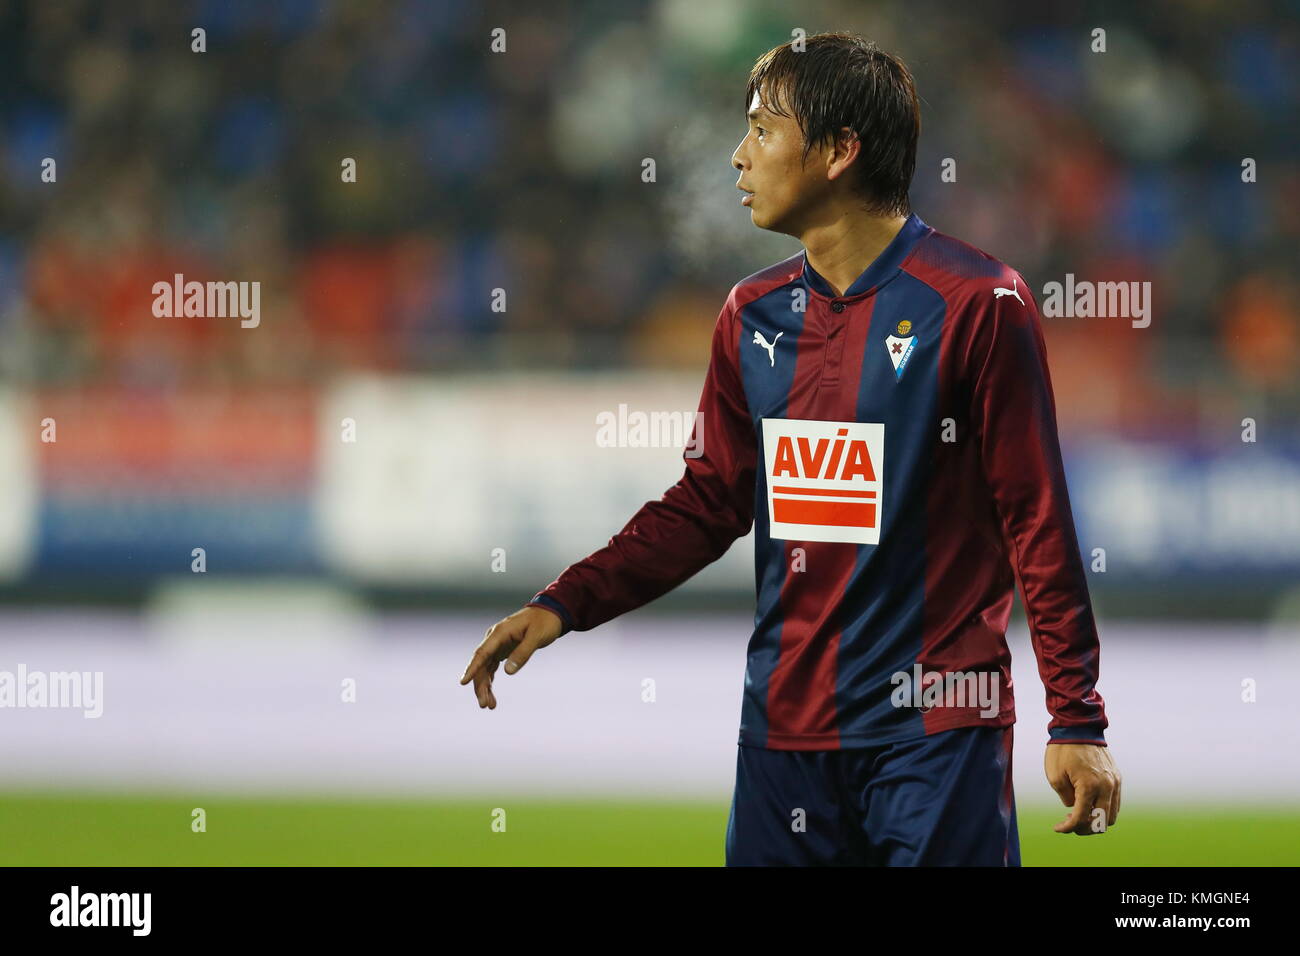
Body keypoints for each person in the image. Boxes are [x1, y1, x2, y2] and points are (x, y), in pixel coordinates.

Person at [460, 31, 1121, 866]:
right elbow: (707, 503)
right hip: (783, 741)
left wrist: (1076, 716)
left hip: (937, 734)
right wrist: (565, 603)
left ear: (840, 151)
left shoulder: (980, 304)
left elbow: (1036, 518)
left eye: (763, 130)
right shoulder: (752, 314)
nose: (739, 157)